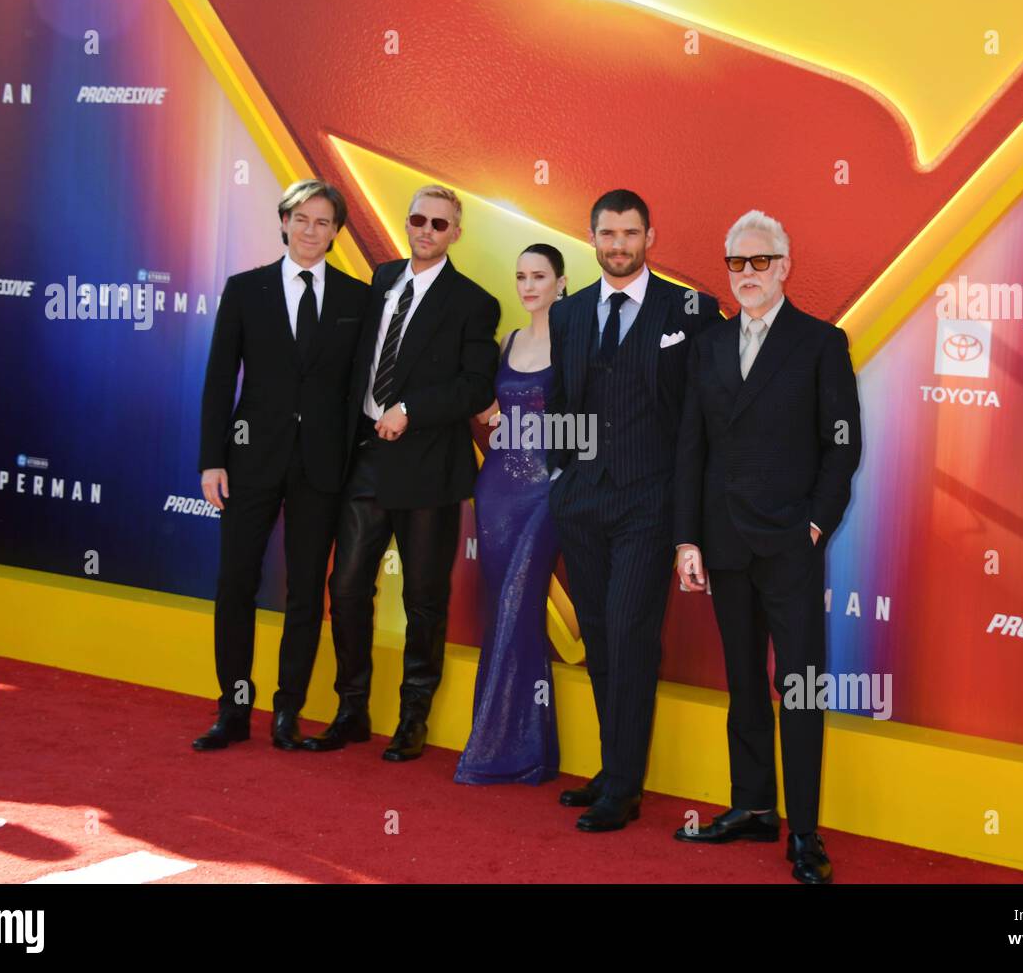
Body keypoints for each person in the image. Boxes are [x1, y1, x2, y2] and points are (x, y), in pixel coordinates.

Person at [672, 209, 862, 884]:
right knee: (745, 682)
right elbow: (690, 446)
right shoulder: (709, 346)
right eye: (736, 263)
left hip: (788, 544)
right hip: (723, 542)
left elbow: (843, 448)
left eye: (760, 262)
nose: (747, 274)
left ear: (784, 266)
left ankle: (805, 831)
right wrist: (687, 537)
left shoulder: (820, 343)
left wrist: (813, 526)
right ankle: (751, 806)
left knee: (799, 687)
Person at [306, 184, 500, 762]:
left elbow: (472, 386)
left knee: (423, 598)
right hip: (365, 458)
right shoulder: (382, 279)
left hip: (429, 469)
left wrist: (410, 410)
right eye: (417, 218)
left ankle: (413, 718)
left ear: (455, 233)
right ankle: (352, 709)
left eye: (440, 224)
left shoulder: (474, 302)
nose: (426, 230)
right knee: (345, 589)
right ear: (406, 220)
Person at [545, 189, 719, 831]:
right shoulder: (571, 314)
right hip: (583, 500)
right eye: (607, 234)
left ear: (651, 237)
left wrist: (694, 506)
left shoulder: (690, 309)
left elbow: (708, 410)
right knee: (597, 636)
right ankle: (612, 764)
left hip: (652, 501)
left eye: (630, 234)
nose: (618, 245)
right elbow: (562, 401)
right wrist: (560, 474)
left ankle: (624, 783)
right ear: (591, 237)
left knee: (629, 632)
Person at [193, 179, 369, 752]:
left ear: (336, 232)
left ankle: (286, 712)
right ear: (284, 222)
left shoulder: (354, 298)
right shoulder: (245, 290)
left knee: (303, 595)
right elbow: (220, 380)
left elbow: (356, 390)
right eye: (302, 218)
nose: (311, 230)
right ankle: (233, 708)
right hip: (249, 462)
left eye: (323, 222)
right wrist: (211, 461)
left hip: (321, 469)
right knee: (235, 584)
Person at [455, 244, 568, 785]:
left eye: (539, 276)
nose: (527, 286)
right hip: (496, 488)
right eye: (520, 275)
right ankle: (528, 750)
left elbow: (587, 421)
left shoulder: (573, 343)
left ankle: (502, 747)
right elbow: (489, 402)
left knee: (518, 606)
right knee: (505, 606)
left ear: (561, 282)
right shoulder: (509, 341)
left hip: (546, 491)